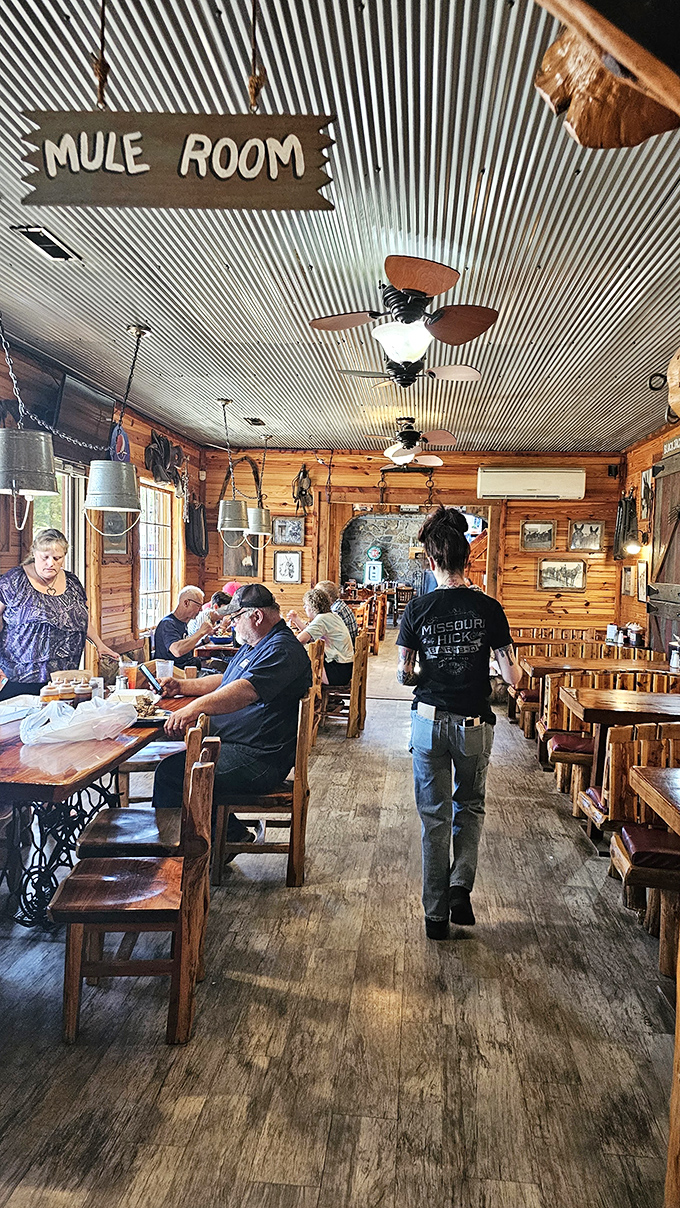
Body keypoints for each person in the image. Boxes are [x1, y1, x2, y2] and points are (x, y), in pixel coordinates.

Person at [396, 506, 522, 941]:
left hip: (428, 722)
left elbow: (405, 673)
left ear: (431, 562)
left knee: (432, 816)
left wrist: (428, 670)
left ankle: (435, 917)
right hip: (472, 723)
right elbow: (512, 676)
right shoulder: (489, 607)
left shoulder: (417, 609)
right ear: (468, 561)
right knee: (469, 806)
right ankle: (459, 885)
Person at [152, 584, 312, 843]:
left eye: (237, 618)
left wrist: (194, 707)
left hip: (260, 759)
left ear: (256, 616)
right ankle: (229, 836)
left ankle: (177, 861)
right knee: (179, 763)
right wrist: (182, 686)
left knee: (173, 775)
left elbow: (245, 690)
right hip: (239, 746)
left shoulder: (283, 649)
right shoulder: (258, 642)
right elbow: (226, 680)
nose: (232, 624)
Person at [0, 527, 118, 699]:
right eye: (45, 557)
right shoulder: (13, 581)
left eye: (57, 558)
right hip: (19, 678)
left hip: (65, 679)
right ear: (34, 553)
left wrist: (99, 644)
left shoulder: (72, 582)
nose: (51, 563)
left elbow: (81, 619)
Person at [287, 588, 354, 685]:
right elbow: (310, 633)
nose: (304, 607)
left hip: (337, 673)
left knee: (298, 662)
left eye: (306, 605)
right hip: (345, 669)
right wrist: (296, 620)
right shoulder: (332, 616)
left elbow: (300, 640)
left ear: (313, 606)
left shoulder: (322, 619)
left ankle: (307, 697)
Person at [154, 586, 216, 670]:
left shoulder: (183, 623)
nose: (201, 610)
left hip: (190, 667)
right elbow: (177, 651)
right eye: (199, 605)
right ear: (186, 603)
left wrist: (203, 640)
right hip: (176, 674)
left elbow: (186, 649)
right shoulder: (168, 623)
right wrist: (200, 632)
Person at [316, 580, 358, 647]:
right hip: (349, 644)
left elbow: (324, 634)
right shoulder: (340, 604)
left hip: (343, 649)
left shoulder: (335, 611)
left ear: (327, 597)